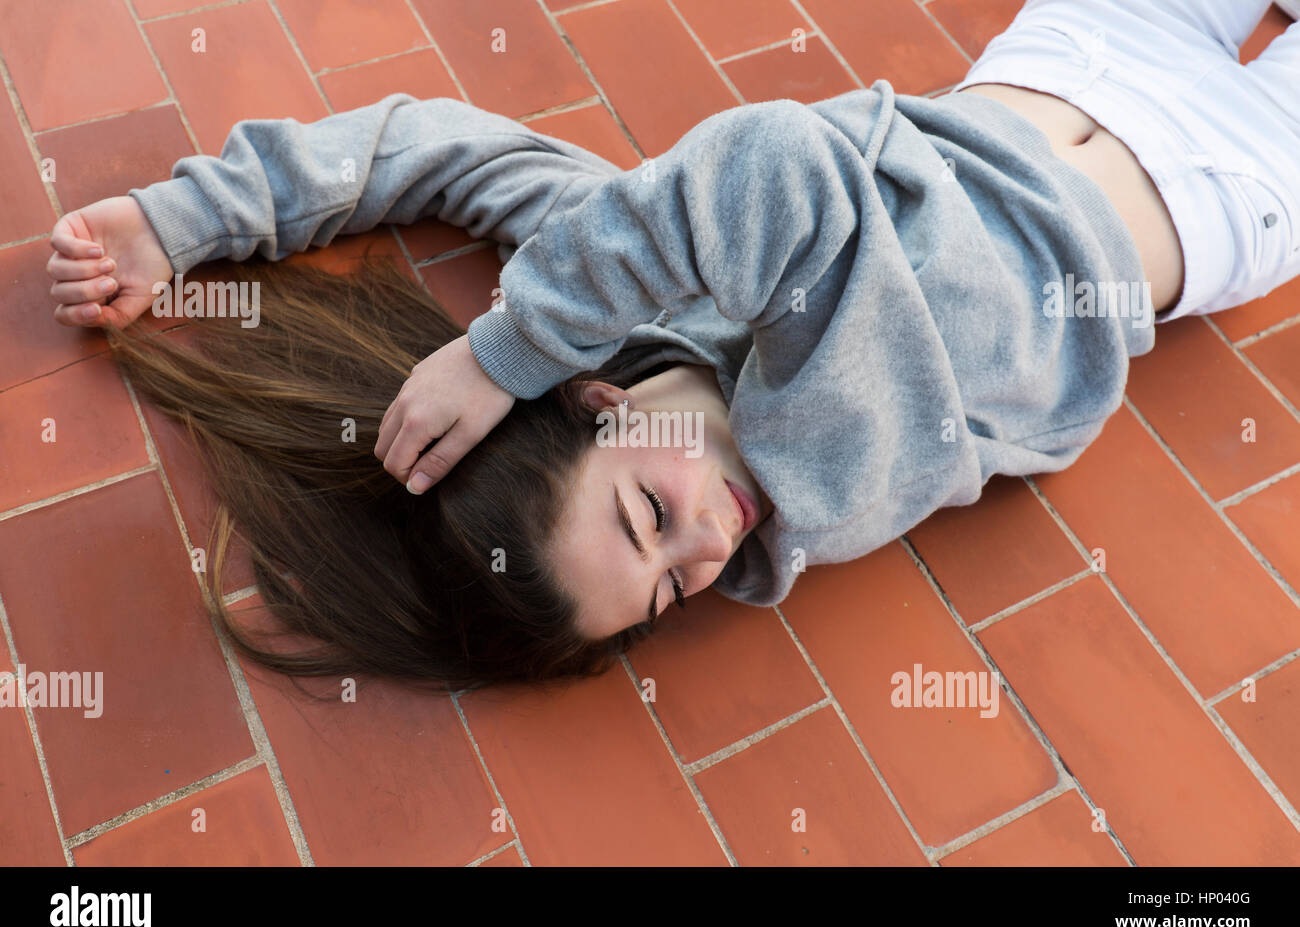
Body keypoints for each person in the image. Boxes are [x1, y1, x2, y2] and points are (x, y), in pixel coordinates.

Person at [45, 1, 1300, 688]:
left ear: (598, 400)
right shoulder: (831, 472)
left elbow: (436, 146)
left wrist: (190, 220)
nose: (708, 551)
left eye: (649, 515)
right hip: (1227, 192)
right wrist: (509, 347)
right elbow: (786, 170)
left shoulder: (621, 306)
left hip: (1068, 56)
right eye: (661, 596)